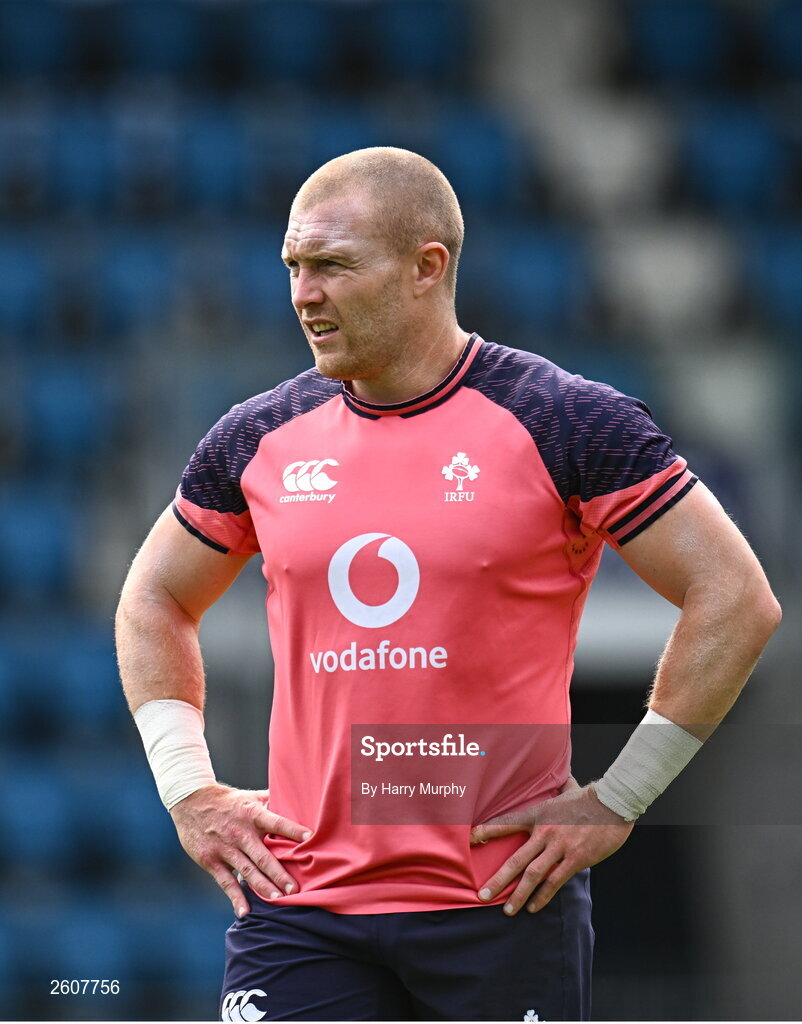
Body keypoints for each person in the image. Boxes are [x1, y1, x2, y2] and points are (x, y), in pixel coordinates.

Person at [115, 147, 781, 1022]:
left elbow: (736, 597)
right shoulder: (258, 436)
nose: (302, 295)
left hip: (503, 907)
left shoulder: (564, 420)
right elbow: (153, 599)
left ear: (428, 267)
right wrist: (189, 791)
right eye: (294, 267)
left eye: (333, 267)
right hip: (303, 911)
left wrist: (622, 797)